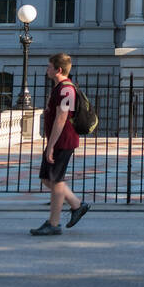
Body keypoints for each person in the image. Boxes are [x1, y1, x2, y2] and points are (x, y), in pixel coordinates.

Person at [31, 53, 90, 235]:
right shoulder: (59, 88)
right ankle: (76, 205)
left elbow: (61, 118)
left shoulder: (66, 89)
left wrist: (51, 146)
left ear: (58, 69)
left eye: (49, 67)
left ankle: (53, 223)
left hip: (63, 141)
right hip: (58, 140)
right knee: (47, 178)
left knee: (55, 180)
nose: (46, 70)